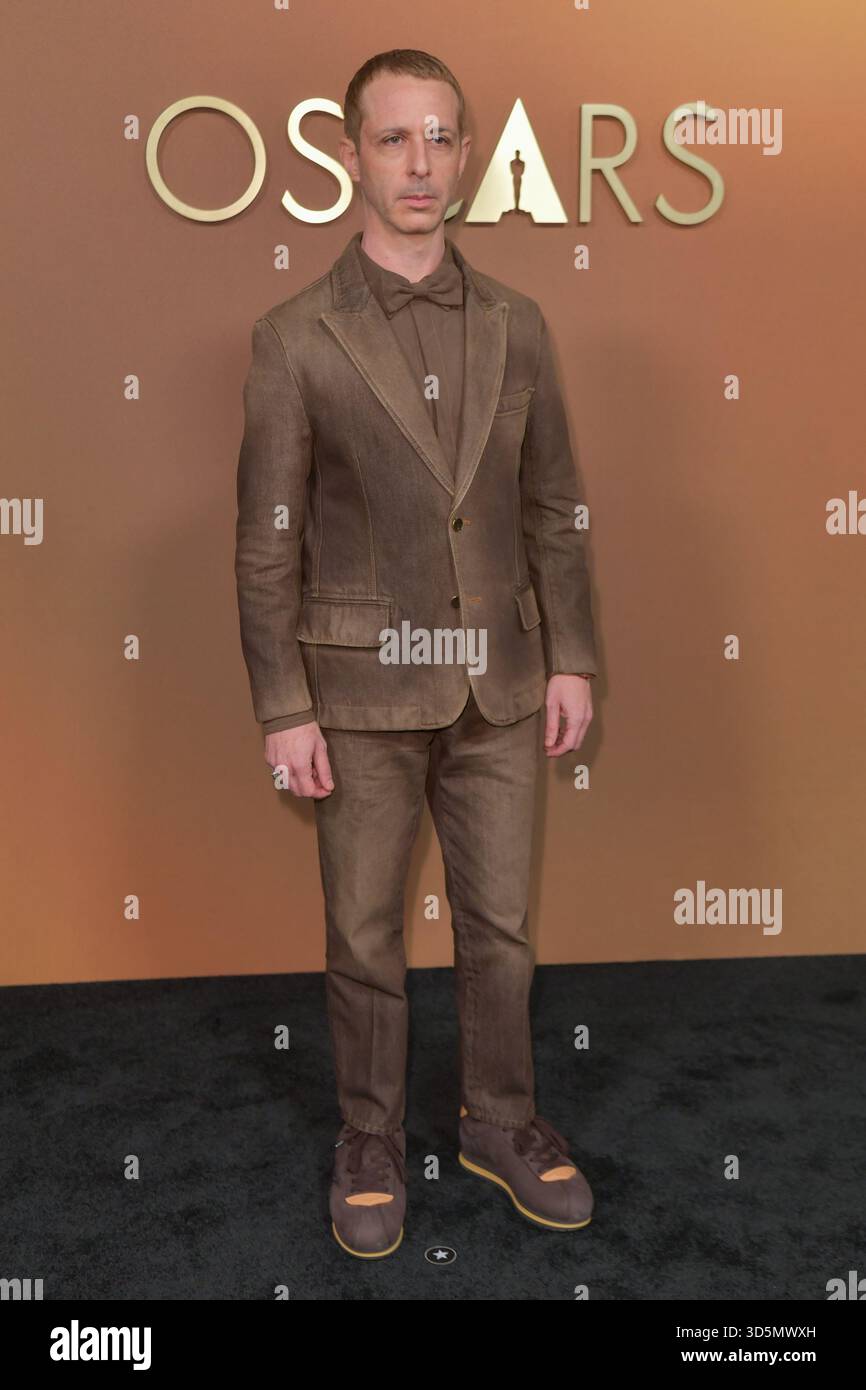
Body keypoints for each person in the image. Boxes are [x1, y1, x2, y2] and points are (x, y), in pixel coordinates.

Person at [235, 49, 599, 1259]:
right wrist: (284, 705)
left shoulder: (519, 323)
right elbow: (264, 544)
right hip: (358, 689)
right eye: (393, 139)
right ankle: (370, 1138)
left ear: (462, 154)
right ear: (350, 155)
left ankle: (498, 1121)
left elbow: (550, 504)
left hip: (498, 679)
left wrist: (572, 657)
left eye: (439, 139)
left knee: (499, 928)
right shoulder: (294, 337)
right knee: (365, 933)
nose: (419, 164)